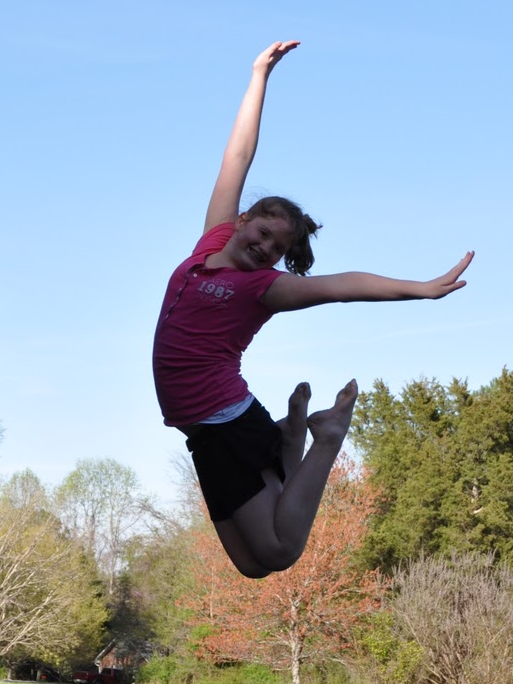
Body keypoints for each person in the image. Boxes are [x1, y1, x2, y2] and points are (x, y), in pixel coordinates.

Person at [152, 40, 473, 579]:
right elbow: (237, 156)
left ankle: (323, 436)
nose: (265, 246)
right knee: (257, 564)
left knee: (276, 555)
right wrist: (259, 75)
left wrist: (421, 288)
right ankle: (289, 436)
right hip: (207, 432)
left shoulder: (264, 288)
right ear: (245, 217)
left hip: (224, 423)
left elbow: (345, 285)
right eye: (263, 230)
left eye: (277, 247)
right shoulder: (210, 243)